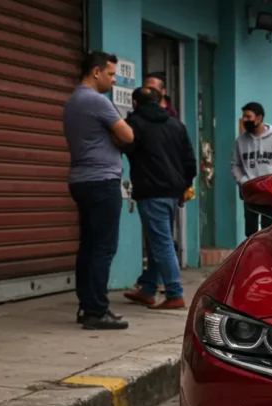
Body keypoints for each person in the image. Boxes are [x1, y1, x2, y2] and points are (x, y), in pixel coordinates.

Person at [63, 51, 134, 330]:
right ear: (96, 72)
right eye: (111, 74)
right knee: (103, 247)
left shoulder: (73, 101)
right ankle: (97, 310)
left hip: (80, 180)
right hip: (102, 181)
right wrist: (114, 135)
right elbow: (128, 135)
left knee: (89, 245)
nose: (114, 80)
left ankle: (86, 305)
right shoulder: (97, 101)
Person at [121, 87, 196, 309]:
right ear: (160, 101)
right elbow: (190, 161)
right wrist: (184, 187)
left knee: (161, 242)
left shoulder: (135, 124)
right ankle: (148, 289)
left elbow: (125, 147)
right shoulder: (176, 125)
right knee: (157, 240)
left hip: (151, 191)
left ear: (135, 103)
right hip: (172, 191)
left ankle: (174, 293)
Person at [231, 102, 272, 237]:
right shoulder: (240, 141)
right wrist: (244, 181)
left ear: (259, 118)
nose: (245, 120)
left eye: (248, 117)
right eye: (244, 116)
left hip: (271, 194)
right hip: (251, 193)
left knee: (270, 231)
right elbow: (235, 165)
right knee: (251, 233)